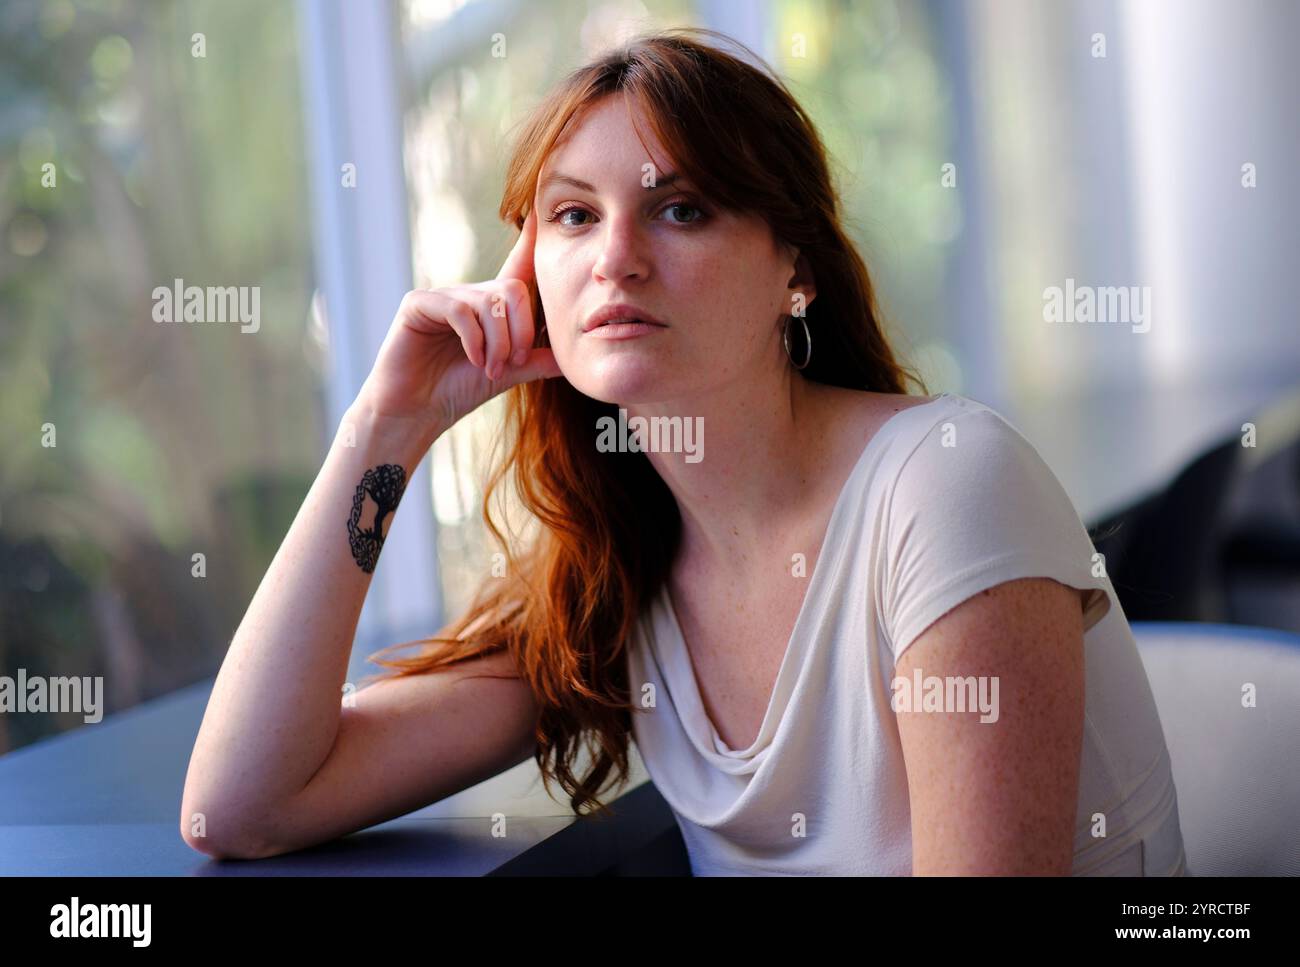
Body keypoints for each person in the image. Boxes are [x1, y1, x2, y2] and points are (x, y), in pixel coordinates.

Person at [180, 27, 1186, 876]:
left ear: (793, 266)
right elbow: (240, 806)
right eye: (573, 215)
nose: (615, 255)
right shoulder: (617, 573)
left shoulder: (947, 485)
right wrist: (385, 426)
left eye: (680, 208)